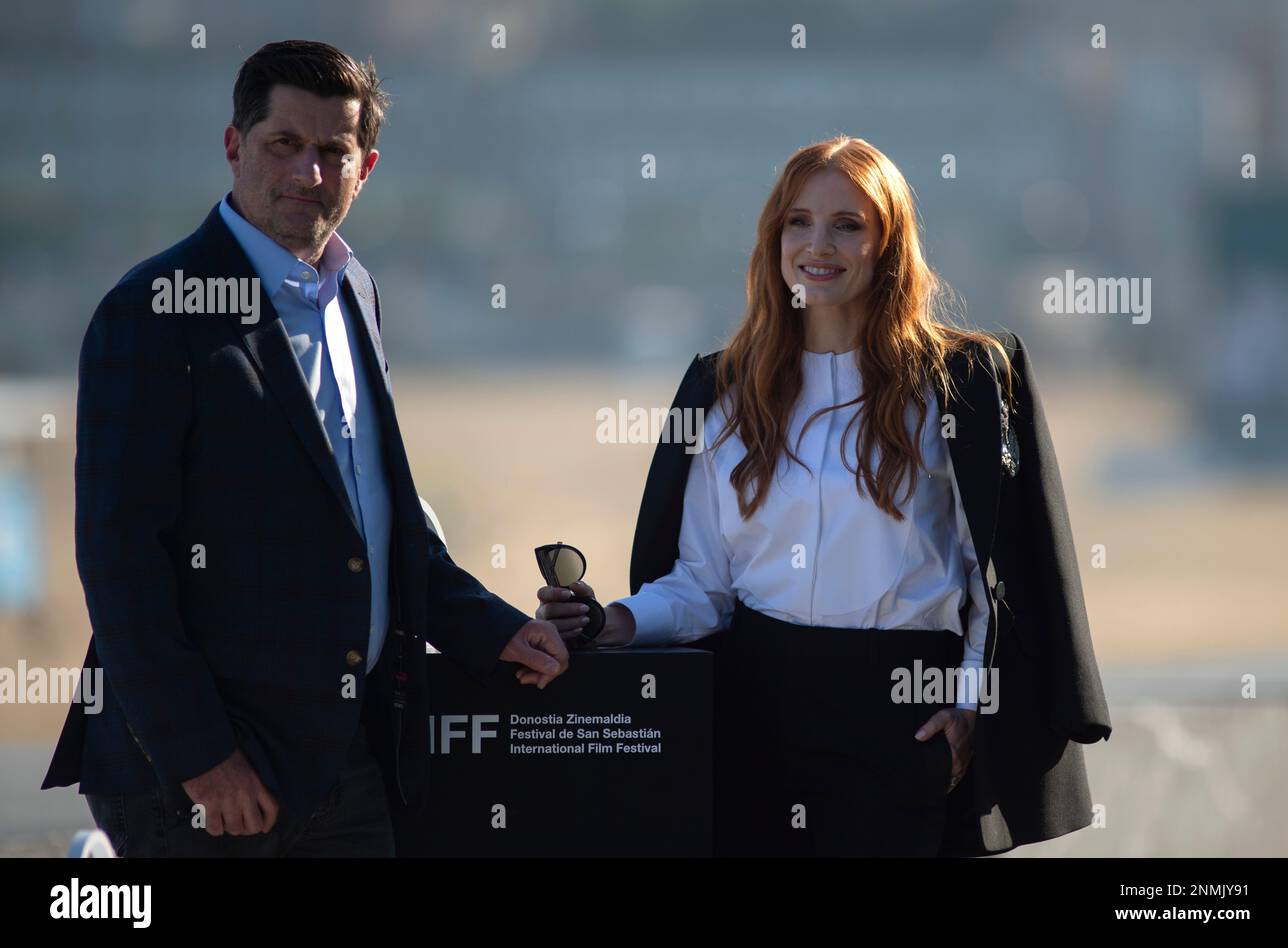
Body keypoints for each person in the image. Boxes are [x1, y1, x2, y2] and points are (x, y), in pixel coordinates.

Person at [42, 39, 568, 857]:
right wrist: (204, 761)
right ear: (234, 145)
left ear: (368, 167)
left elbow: (375, 516)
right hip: (199, 786)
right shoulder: (151, 310)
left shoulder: (355, 292)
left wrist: (487, 626)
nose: (309, 174)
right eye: (284, 145)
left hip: (349, 764)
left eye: (334, 151)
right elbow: (119, 563)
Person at [538, 136, 1111, 857]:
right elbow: (703, 588)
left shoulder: (961, 383)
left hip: (908, 724)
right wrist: (610, 621)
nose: (819, 244)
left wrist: (970, 706)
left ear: (889, 244)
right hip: (756, 723)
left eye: (848, 224)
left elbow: (987, 582)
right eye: (798, 221)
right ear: (774, 238)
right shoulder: (721, 391)